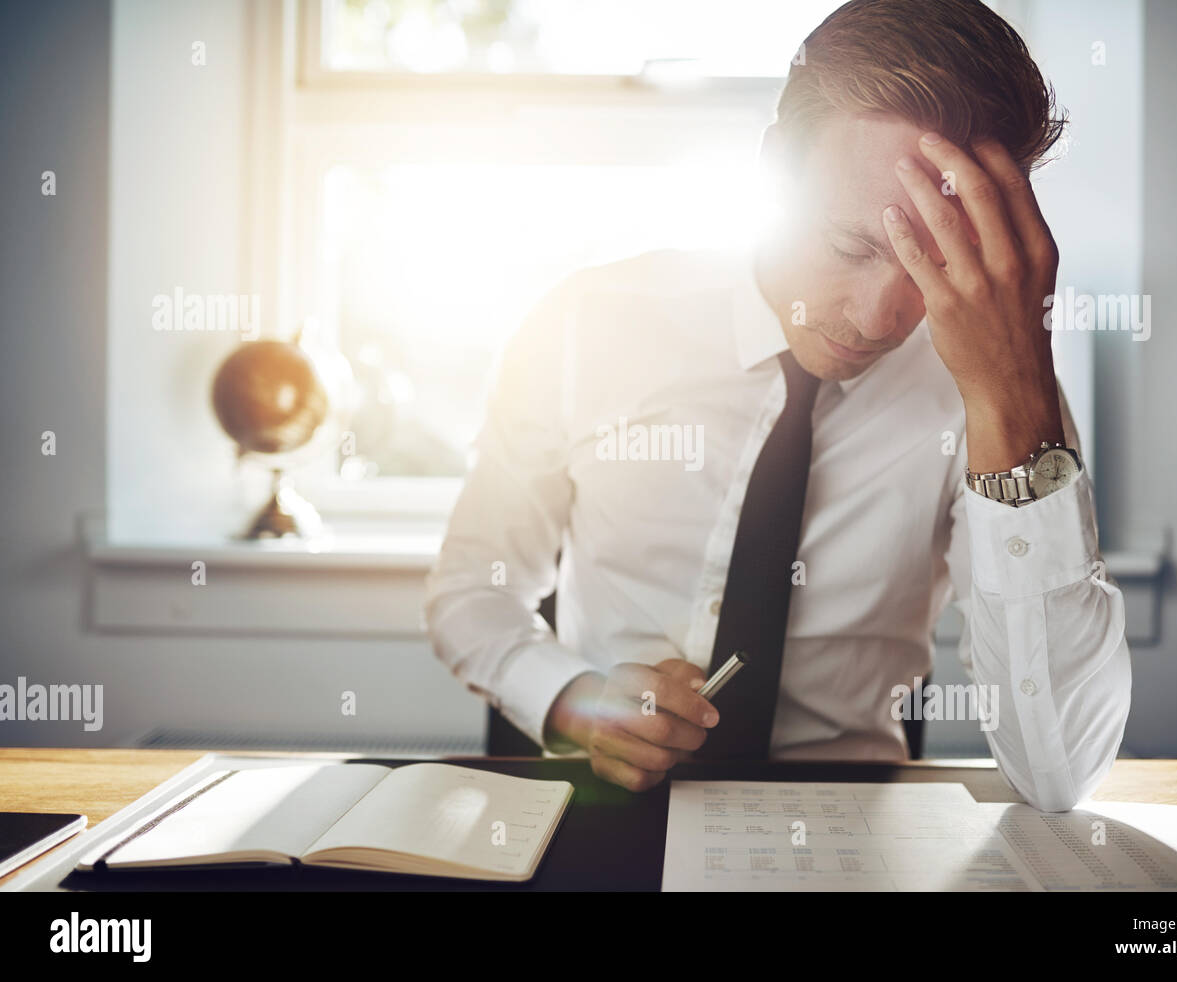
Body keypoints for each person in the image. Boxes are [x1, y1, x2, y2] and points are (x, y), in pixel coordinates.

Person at [425, 0, 1130, 811]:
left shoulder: (1005, 397)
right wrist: (569, 697)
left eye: (939, 262)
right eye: (850, 246)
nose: (880, 319)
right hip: (603, 806)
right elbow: (469, 591)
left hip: (854, 827)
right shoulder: (587, 322)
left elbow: (1060, 773)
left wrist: (1011, 400)